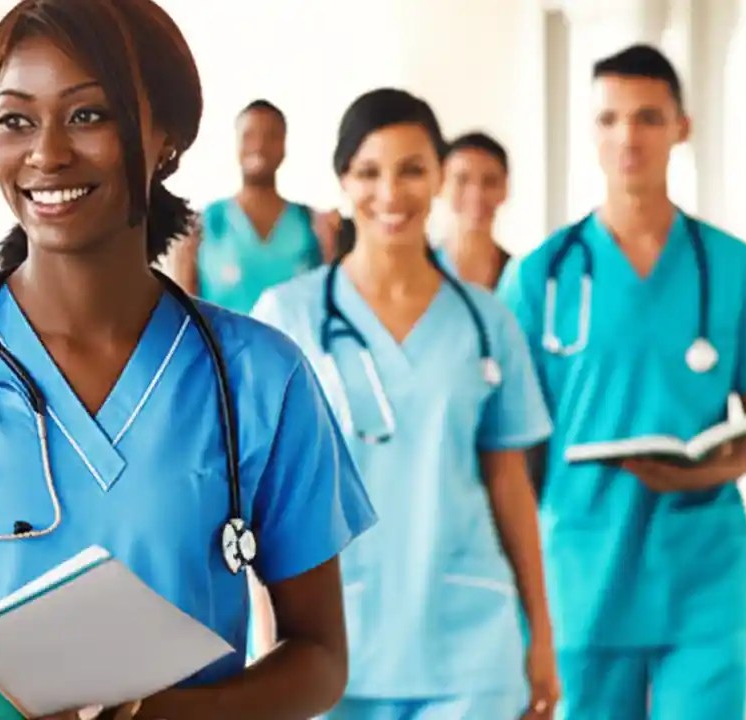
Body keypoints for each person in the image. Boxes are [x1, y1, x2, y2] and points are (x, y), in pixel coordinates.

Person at [0, 1, 377, 718]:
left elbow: (319, 659)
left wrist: (152, 718)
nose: (46, 153)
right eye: (16, 120)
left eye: (88, 116)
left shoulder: (261, 375)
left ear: (168, 136)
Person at [497, 44, 746, 719]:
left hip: (701, 574)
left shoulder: (736, 269)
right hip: (580, 571)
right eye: (609, 119)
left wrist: (697, 473)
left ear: (681, 127)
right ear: (592, 129)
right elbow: (516, 453)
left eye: (647, 118)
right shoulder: (540, 276)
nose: (627, 136)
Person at [253, 88, 560, 720]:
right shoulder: (289, 318)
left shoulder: (487, 322)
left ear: (440, 177)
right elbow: (261, 496)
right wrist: (265, 645)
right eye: (369, 171)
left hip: (470, 642)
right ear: (342, 181)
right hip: (329, 641)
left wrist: (543, 638)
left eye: (412, 169)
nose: (390, 193)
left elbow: (510, 486)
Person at [160, 99, 337, 313]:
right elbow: (186, 314)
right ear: (235, 143)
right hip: (223, 347)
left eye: (271, 136)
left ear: (284, 145)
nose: (259, 145)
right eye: (249, 136)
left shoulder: (311, 225)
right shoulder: (204, 226)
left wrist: (332, 251)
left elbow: (329, 306)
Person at [437, 131, 512, 290]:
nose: (476, 195)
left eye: (490, 181)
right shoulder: (417, 273)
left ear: (505, 188)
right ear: (440, 185)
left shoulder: (519, 277)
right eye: (462, 180)